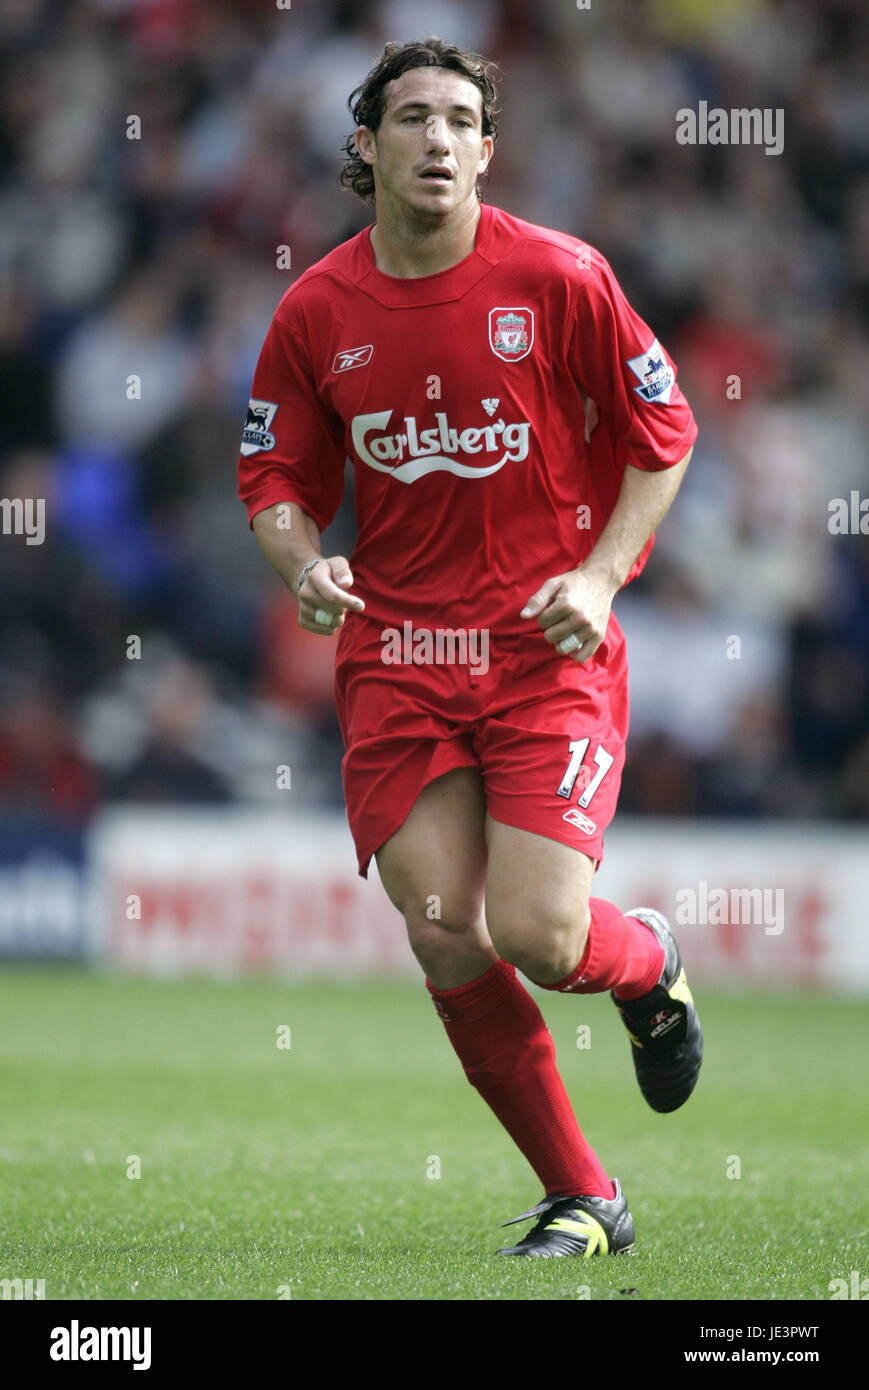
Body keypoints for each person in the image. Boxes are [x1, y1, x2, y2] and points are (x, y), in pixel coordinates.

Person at [239, 37, 702, 1258]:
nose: (436, 139)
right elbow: (274, 473)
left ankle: (647, 960)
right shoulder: (316, 308)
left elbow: (664, 434)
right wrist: (304, 563)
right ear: (365, 145)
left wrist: (601, 578)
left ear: (487, 151)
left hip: (541, 648)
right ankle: (585, 1195)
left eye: (459, 121)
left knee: (545, 938)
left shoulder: (558, 277)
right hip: (396, 656)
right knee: (446, 924)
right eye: (410, 119)